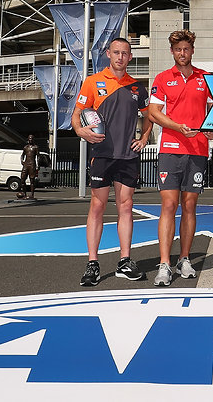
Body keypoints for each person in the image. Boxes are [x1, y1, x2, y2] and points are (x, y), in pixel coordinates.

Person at [72, 37, 153, 287]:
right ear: (108, 53)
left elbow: (150, 116)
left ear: (130, 57)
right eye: (116, 52)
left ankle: (125, 261)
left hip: (127, 155)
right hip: (102, 154)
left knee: (126, 207)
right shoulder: (92, 82)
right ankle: (93, 264)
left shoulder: (137, 88)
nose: (120, 57)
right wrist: (80, 131)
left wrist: (145, 137)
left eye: (124, 53)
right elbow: (77, 116)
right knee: (97, 206)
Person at [147, 30, 213, 286]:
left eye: (186, 49)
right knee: (168, 205)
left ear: (192, 50)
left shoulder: (205, 78)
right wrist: (177, 127)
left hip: (198, 149)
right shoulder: (163, 78)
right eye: (178, 50)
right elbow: (154, 112)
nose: (182, 53)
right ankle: (164, 263)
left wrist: (212, 129)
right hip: (170, 148)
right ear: (172, 52)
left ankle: (184, 258)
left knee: (189, 207)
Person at [17, 134, 40, 199]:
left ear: (33, 139)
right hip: (26, 164)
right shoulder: (25, 147)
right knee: (22, 179)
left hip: (32, 164)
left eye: (31, 139)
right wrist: (22, 161)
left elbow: (38, 156)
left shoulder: (35, 147)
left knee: (32, 180)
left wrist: (38, 164)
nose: (30, 140)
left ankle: (32, 195)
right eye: (29, 138)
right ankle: (24, 194)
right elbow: (22, 155)